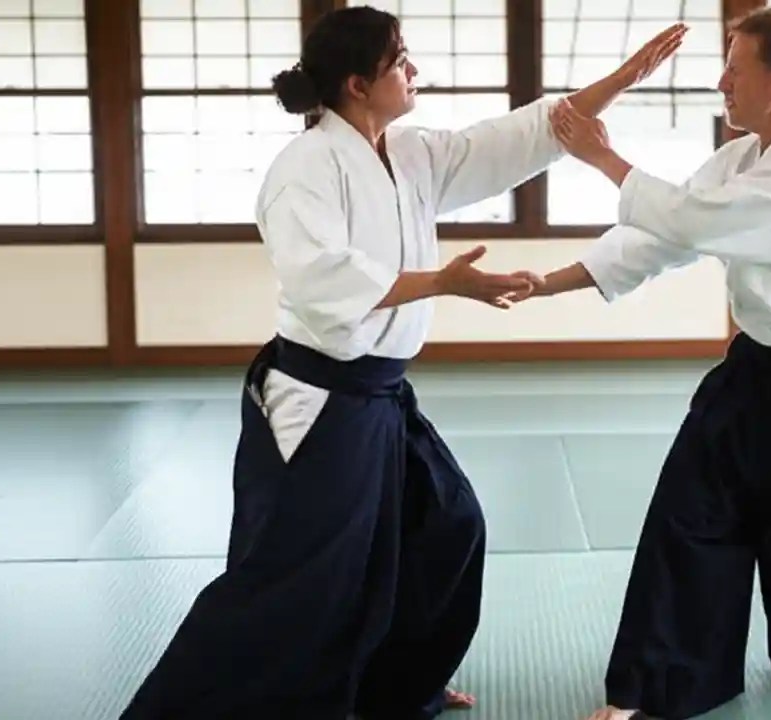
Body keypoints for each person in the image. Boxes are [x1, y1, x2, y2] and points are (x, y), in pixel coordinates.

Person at [119, 6, 687, 720]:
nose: (414, 71)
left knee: (447, 529)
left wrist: (625, 78)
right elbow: (325, 283)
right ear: (358, 84)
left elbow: (523, 136)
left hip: (381, 397)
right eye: (400, 62)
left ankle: (393, 685)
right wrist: (443, 282)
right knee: (296, 577)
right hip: (320, 397)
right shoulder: (305, 170)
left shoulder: (409, 152)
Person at [532, 8, 771, 720]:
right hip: (756, 372)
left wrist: (604, 157)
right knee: (689, 510)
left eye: (733, 69)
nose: (721, 83)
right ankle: (651, 686)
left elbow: (696, 221)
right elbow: (666, 233)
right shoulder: (741, 158)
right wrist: (549, 281)